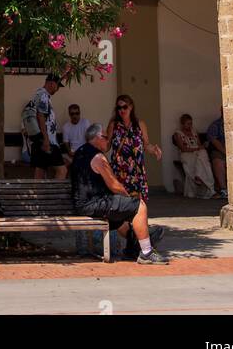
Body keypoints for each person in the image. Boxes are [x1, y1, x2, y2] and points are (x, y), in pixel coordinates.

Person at [71, 123, 167, 266]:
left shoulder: (80, 152)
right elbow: (114, 185)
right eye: (105, 137)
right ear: (96, 138)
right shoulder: (98, 157)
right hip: (93, 204)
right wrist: (130, 200)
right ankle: (146, 252)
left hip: (83, 204)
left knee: (122, 220)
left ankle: (132, 247)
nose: (107, 141)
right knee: (139, 207)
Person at [105, 93, 162, 202]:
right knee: (120, 202)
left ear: (131, 107)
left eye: (125, 107)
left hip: (136, 171)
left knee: (137, 204)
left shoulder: (140, 124)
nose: (122, 110)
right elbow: (107, 146)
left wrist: (154, 150)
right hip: (119, 171)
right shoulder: (114, 125)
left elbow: (146, 145)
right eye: (119, 107)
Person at [22, 74, 67, 181]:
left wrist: (65, 73)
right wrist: (46, 139)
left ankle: (37, 197)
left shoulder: (39, 94)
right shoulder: (43, 95)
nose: (57, 89)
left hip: (38, 140)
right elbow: (40, 116)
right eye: (57, 86)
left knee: (40, 172)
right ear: (51, 83)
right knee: (62, 170)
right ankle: (55, 196)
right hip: (47, 141)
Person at [173, 114, 216, 199]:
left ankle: (199, 176)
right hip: (187, 153)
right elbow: (183, 148)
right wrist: (197, 149)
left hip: (197, 152)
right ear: (182, 124)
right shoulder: (178, 134)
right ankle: (207, 187)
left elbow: (199, 144)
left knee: (202, 155)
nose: (190, 126)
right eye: (188, 124)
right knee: (200, 159)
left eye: (191, 123)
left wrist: (202, 146)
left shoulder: (194, 131)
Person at [206, 111, 228, 198]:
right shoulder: (215, 125)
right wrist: (225, 152)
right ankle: (224, 190)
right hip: (220, 151)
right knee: (218, 162)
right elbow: (213, 140)